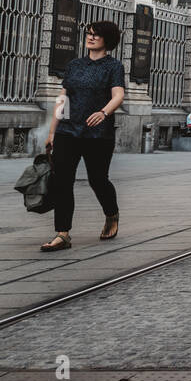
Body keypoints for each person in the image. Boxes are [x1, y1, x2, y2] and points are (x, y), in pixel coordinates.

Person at [40, 20, 125, 251]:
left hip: (98, 133)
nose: (90, 38)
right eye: (88, 34)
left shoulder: (113, 66)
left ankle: (111, 213)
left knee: (98, 180)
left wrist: (104, 112)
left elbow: (118, 95)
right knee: (62, 181)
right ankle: (63, 233)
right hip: (68, 130)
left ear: (107, 40)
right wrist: (52, 131)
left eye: (96, 35)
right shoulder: (75, 65)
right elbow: (63, 98)